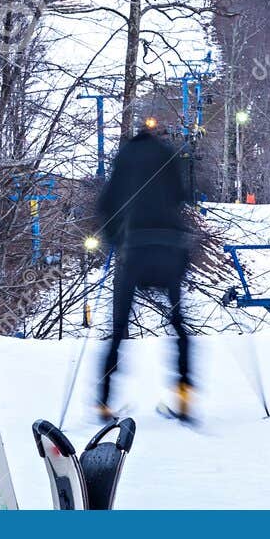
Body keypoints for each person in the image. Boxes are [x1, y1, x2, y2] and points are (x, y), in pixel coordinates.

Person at [95, 118, 196, 423]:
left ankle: (104, 401)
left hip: (136, 247)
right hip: (169, 247)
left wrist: (115, 239)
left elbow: (107, 203)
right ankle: (184, 396)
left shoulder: (123, 157)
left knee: (118, 328)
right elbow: (182, 196)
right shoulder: (168, 154)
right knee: (178, 322)